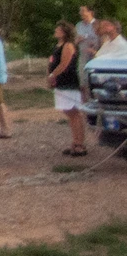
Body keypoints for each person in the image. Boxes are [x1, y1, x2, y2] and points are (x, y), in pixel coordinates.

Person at [48, 20, 87, 158]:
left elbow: (64, 64)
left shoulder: (68, 45)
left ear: (64, 32)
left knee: (74, 112)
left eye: (58, 29)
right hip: (60, 83)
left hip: (68, 82)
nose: (56, 31)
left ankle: (79, 143)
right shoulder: (58, 45)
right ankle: (75, 140)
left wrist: (53, 75)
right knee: (69, 113)